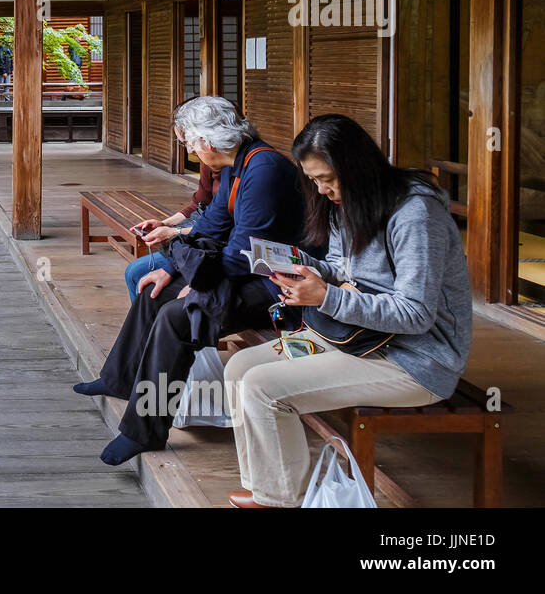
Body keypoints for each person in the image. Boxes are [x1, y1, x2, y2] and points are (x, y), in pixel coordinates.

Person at [224, 114, 472, 508]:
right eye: (314, 181)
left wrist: (325, 297)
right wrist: (301, 267)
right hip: (355, 338)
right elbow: (343, 269)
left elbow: (416, 314)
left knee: (262, 387)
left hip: (412, 359)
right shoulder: (349, 204)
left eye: (328, 179)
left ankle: (282, 500)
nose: (322, 190)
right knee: (238, 369)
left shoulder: (415, 216)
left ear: (358, 166)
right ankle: (269, 489)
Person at [72, 95, 304, 466]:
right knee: (154, 290)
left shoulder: (264, 171)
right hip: (240, 270)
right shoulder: (236, 164)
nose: (190, 152)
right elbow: (213, 223)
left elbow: (245, 251)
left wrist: (197, 282)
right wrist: (169, 269)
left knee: (177, 315)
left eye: (188, 144)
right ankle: (120, 378)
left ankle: (143, 431)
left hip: (278, 286)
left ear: (205, 144)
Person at [124, 158, 218, 300]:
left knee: (138, 275)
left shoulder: (238, 172)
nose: (191, 150)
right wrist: (164, 224)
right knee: (133, 272)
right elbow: (198, 206)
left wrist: (173, 232)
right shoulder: (207, 161)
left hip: (211, 245)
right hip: (195, 237)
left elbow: (219, 226)